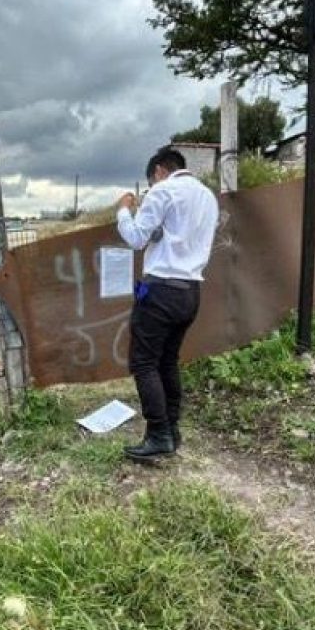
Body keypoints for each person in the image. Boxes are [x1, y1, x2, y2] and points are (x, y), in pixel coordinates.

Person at [115, 146, 219, 465]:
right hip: (190, 291)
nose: (151, 186)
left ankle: (158, 435)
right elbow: (175, 234)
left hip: (161, 291)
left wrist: (124, 210)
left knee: (144, 363)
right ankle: (171, 430)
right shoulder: (207, 197)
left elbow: (135, 238)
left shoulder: (162, 191)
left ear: (160, 171)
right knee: (167, 361)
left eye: (151, 181)